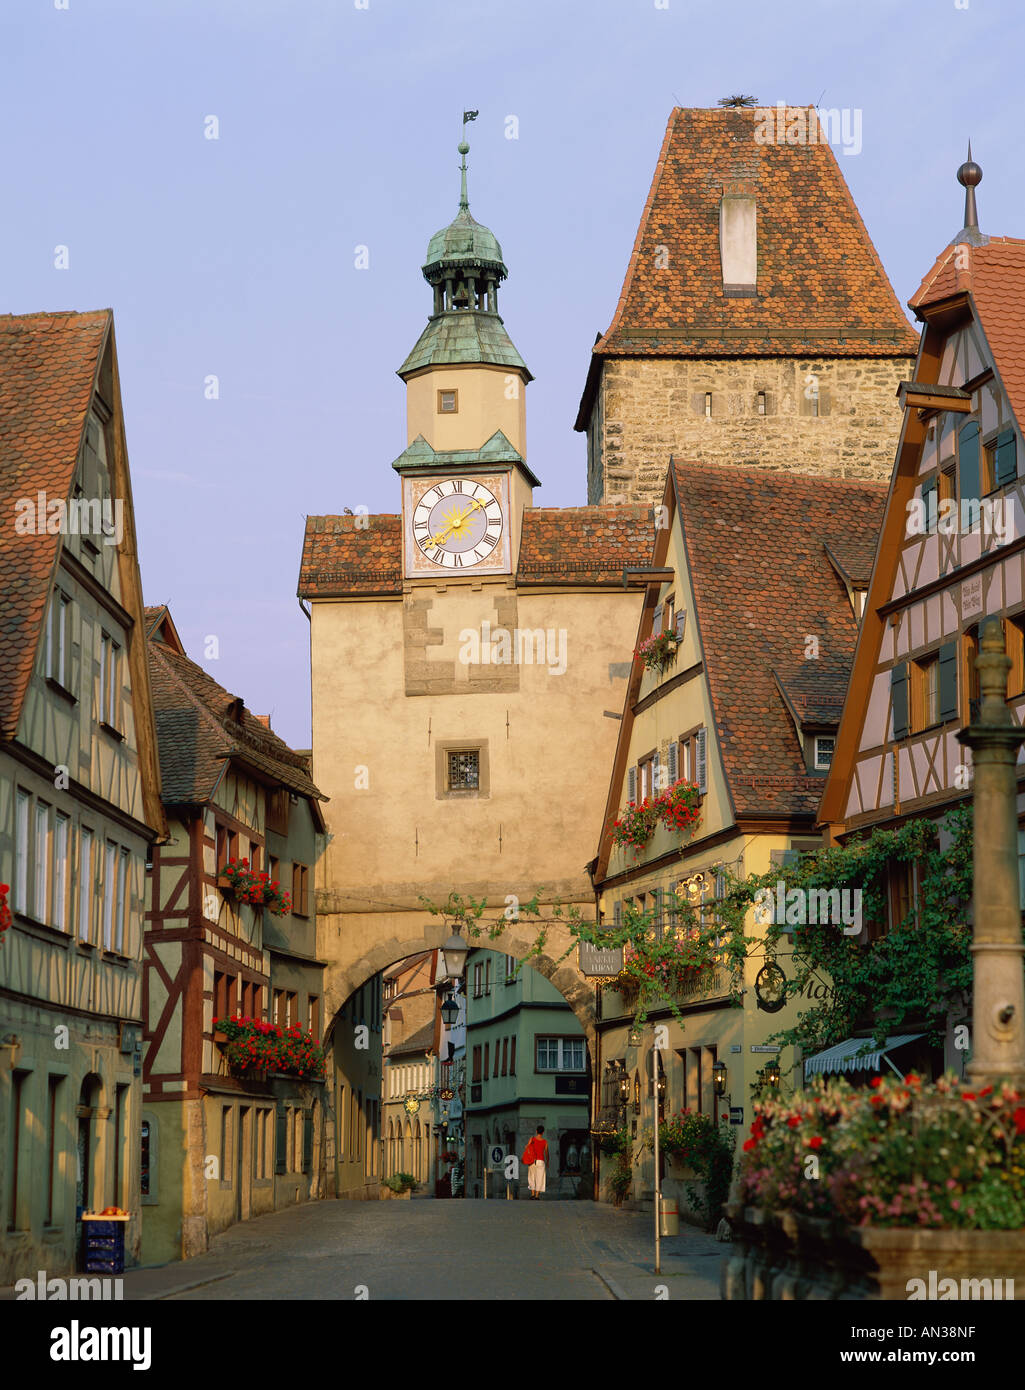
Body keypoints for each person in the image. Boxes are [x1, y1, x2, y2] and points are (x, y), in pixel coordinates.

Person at [522, 1125, 549, 1200]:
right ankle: (537, 1196)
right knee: (540, 1178)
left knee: (531, 1177)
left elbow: (527, 1147)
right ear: (543, 1132)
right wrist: (548, 1162)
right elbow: (546, 1152)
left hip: (532, 1161)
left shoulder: (532, 1139)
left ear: (536, 1131)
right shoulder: (545, 1142)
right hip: (541, 1161)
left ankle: (532, 1194)